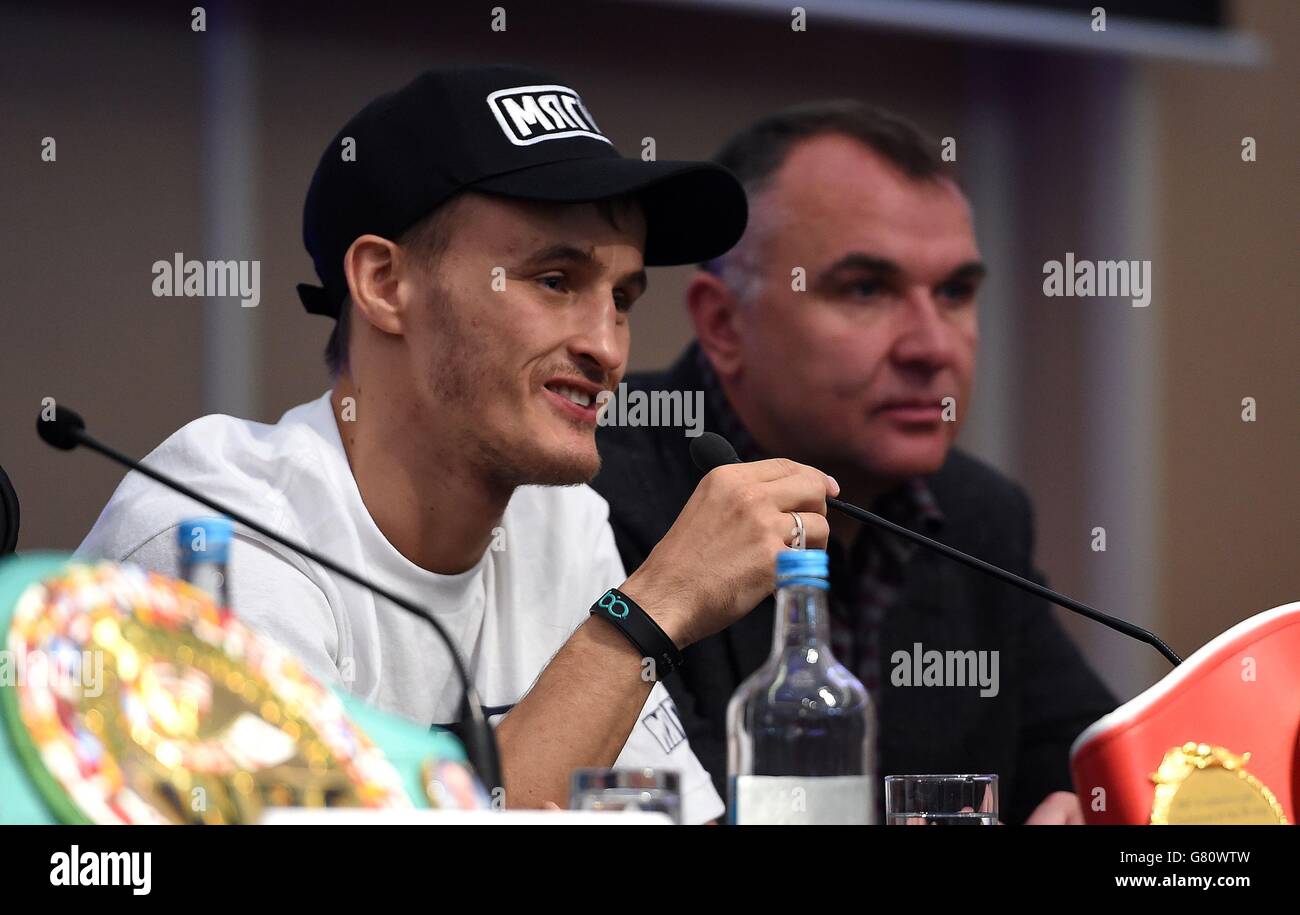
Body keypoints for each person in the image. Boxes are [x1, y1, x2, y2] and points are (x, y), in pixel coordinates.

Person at [75, 66, 840, 823]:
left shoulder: (562, 523)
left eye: (621, 297)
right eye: (553, 279)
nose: (608, 347)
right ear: (383, 283)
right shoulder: (211, 527)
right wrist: (651, 608)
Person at [592, 101, 1118, 825]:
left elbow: (1084, 748)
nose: (932, 346)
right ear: (722, 323)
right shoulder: (594, 487)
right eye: (867, 289)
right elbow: (662, 801)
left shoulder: (977, 514)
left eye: (956, 293)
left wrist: (1085, 799)